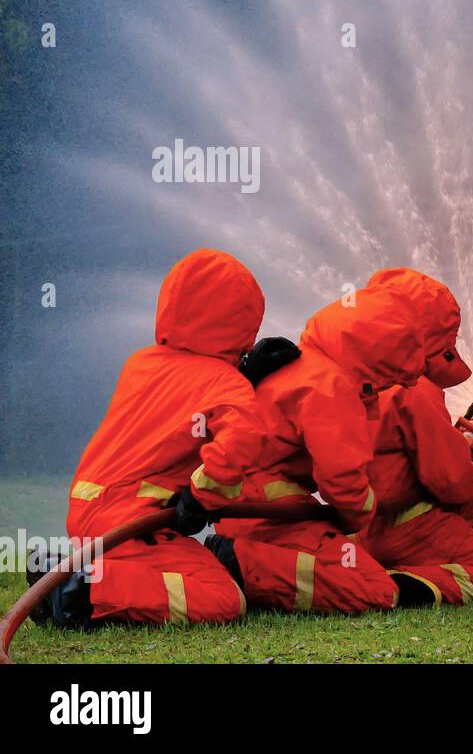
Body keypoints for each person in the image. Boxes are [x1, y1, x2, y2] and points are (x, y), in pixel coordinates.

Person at [50, 249, 266, 627]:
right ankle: (84, 591)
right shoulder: (226, 385)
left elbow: (175, 407)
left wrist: (239, 374)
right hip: (133, 523)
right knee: (223, 598)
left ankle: (78, 571)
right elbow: (242, 440)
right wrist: (200, 497)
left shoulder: (140, 363)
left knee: (182, 568)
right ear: (244, 323)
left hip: (88, 511)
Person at [203, 284, 424, 614]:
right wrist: (361, 513)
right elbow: (342, 482)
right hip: (270, 515)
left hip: (247, 511)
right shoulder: (333, 388)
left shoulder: (305, 365)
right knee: (377, 590)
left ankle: (245, 565)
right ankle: (238, 564)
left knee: (339, 566)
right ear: (382, 359)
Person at [362, 268, 473, 606]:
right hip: (408, 528)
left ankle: (394, 571)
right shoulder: (414, 390)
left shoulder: (351, 379)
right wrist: (469, 455)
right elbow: (450, 483)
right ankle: (410, 584)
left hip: (360, 529)